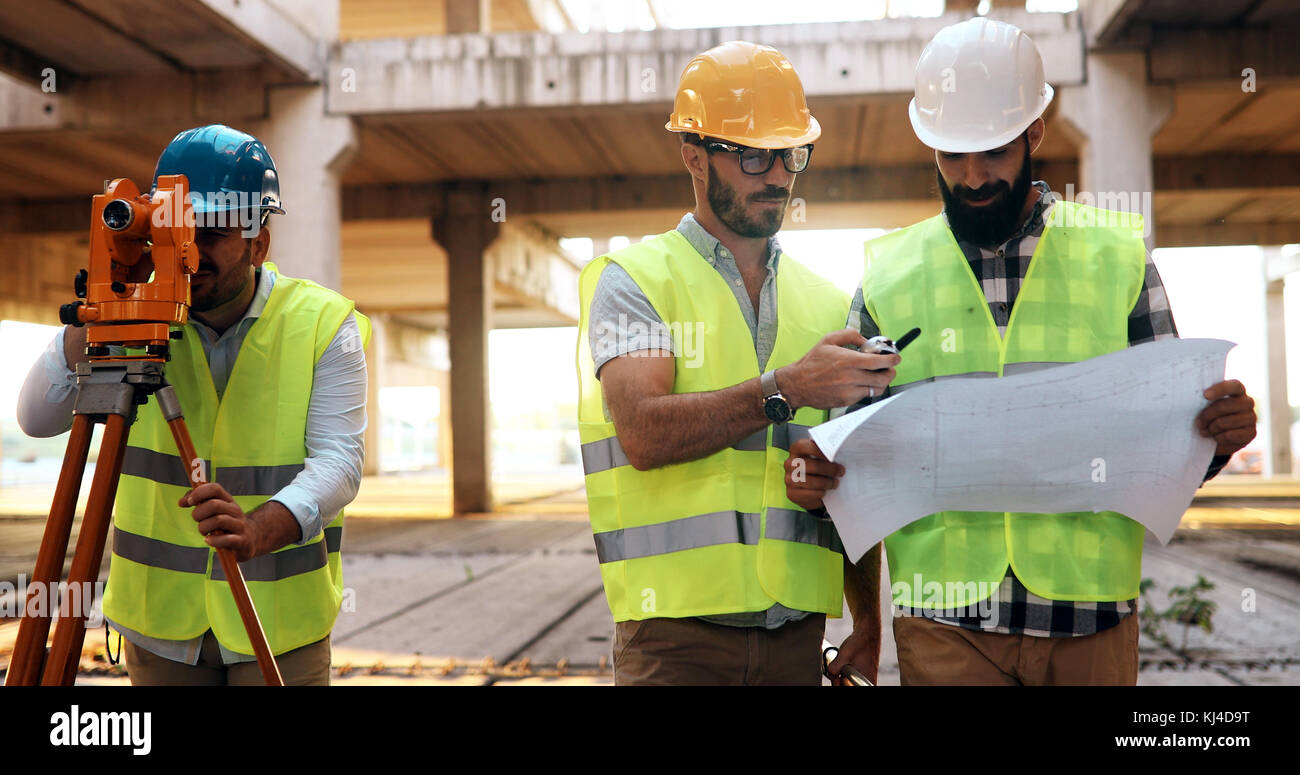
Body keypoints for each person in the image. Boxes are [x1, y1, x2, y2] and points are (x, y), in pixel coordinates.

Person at [784, 18, 1258, 686]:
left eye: (994, 152)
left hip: (1089, 620)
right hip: (945, 624)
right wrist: (817, 469)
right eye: (952, 156)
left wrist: (1216, 438)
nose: (973, 177)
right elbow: (850, 453)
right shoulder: (889, 276)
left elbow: (1167, 447)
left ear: (1035, 133)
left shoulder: (1117, 258)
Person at [576, 41, 900, 686]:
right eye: (753, 155)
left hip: (797, 639)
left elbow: (852, 476)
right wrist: (784, 388)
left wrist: (866, 620)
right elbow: (642, 432)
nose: (778, 176)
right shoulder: (633, 280)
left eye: (791, 155)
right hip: (673, 643)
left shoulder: (830, 301)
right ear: (694, 157)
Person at [17, 124, 370, 686]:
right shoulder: (126, 319)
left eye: (213, 232)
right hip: (160, 630)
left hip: (277, 630)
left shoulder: (325, 325)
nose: (191, 250)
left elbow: (340, 463)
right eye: (178, 227)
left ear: (260, 241)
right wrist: (107, 308)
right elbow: (37, 418)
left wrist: (259, 528)